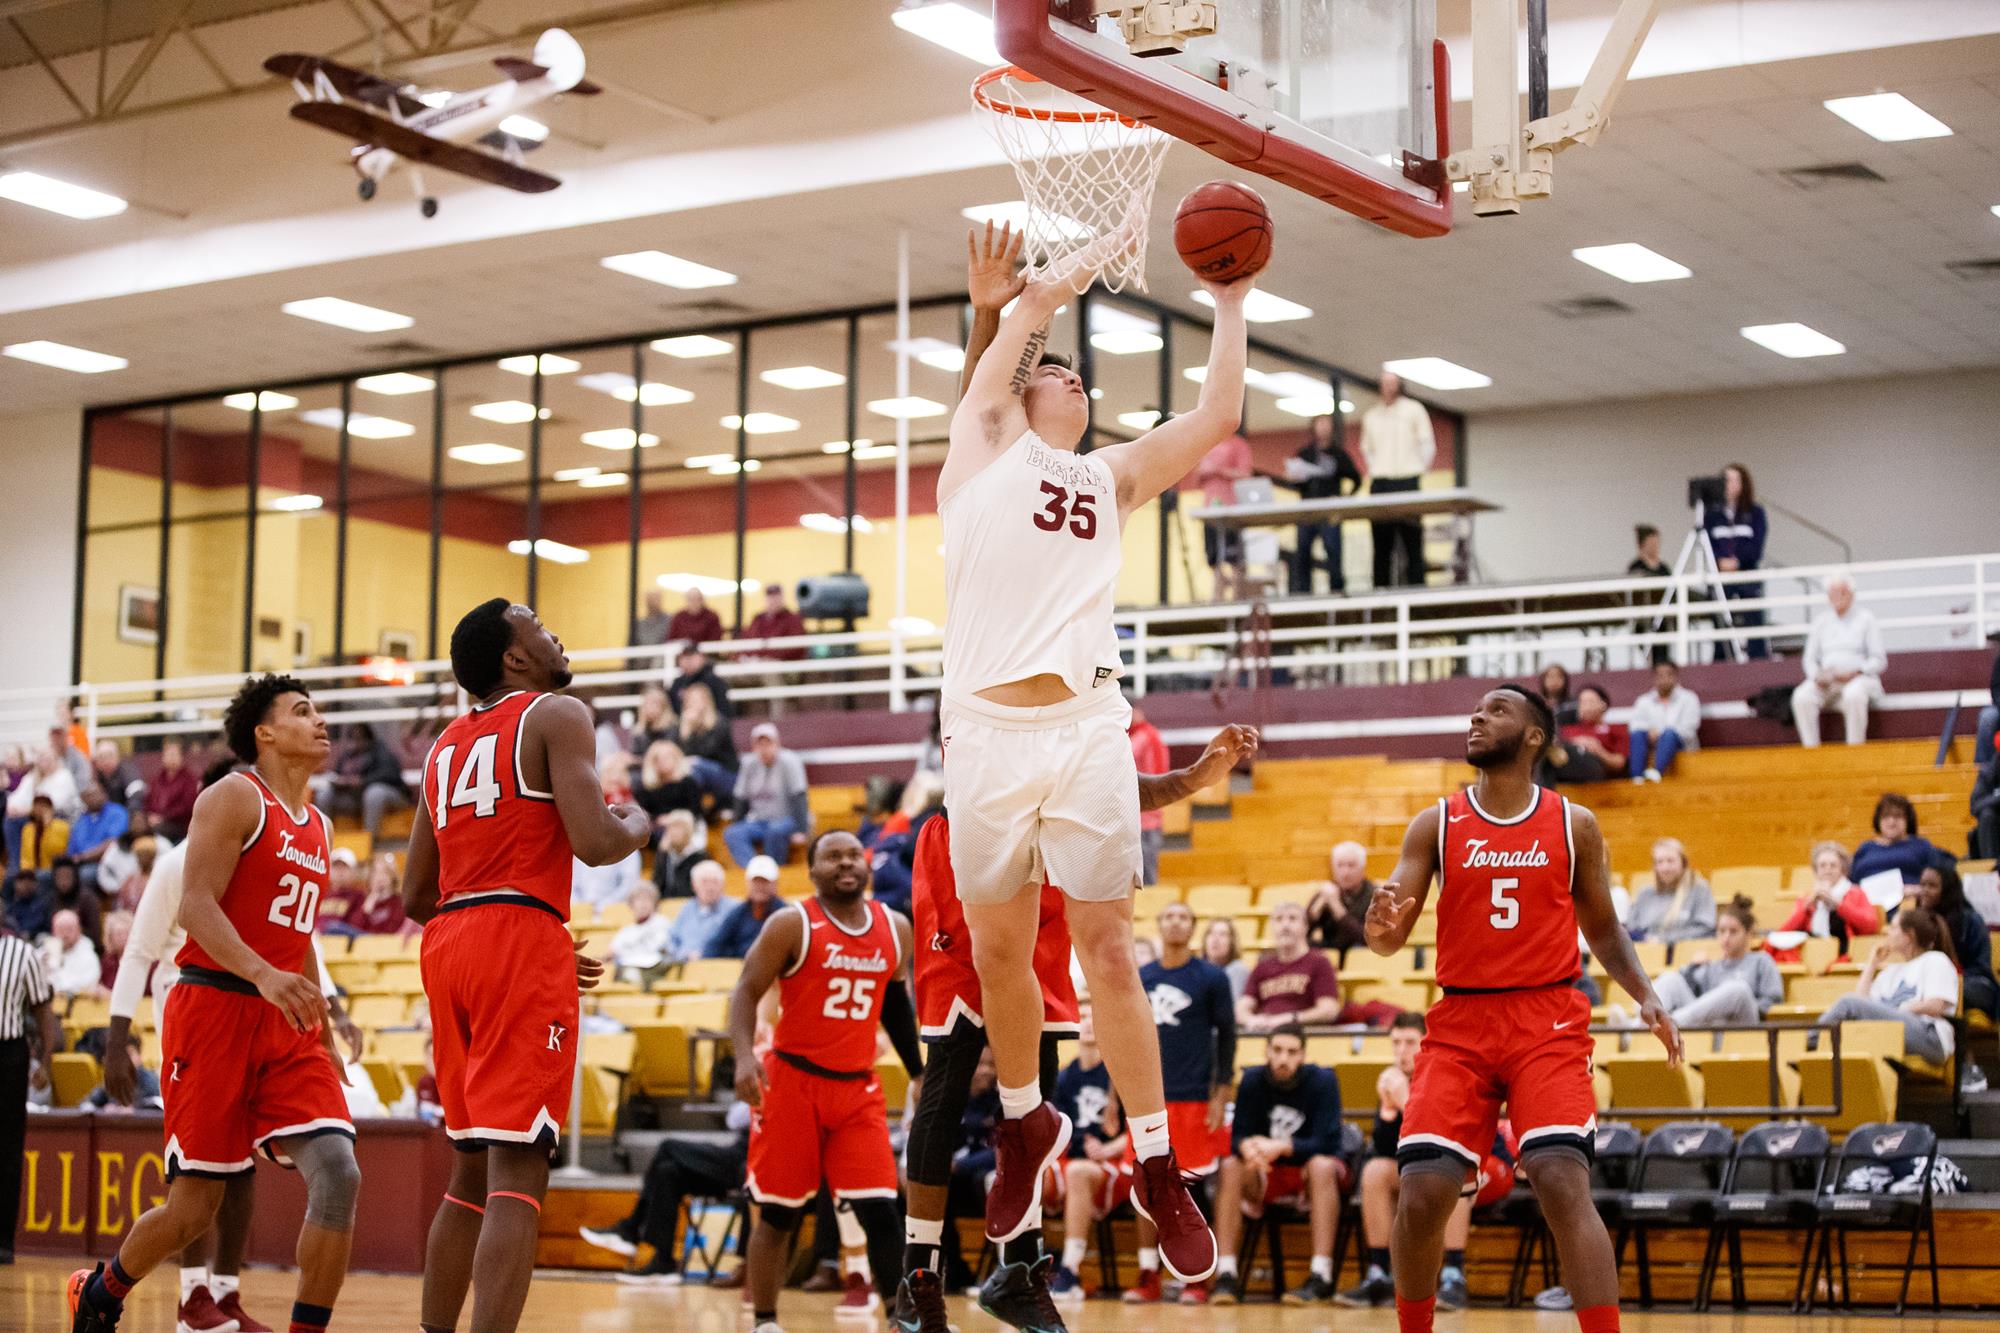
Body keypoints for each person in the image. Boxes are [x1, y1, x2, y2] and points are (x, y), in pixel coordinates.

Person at [941, 215, 1250, 1290]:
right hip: (981, 731)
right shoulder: (978, 448)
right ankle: (1025, 1124)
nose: (1067, 378)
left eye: (1079, 376)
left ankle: (1158, 1163)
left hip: (1083, 725)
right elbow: (1023, 319)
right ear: (1017, 391)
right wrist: (1082, 254)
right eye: (1050, 370)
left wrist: (1228, 294)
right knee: (997, 955)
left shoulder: (1109, 479)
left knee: (1106, 948)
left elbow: (1214, 413)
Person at [898, 721, 1255, 1333]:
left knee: (1035, 1081)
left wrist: (1191, 780)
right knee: (952, 1071)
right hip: (977, 845)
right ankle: (917, 1278)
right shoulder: (999, 667)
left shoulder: (1091, 684)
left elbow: (1105, 790)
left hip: (1054, 862)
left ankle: (1018, 1272)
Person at [1362, 682, 1681, 1333]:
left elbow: (1605, 929)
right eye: (1476, 708)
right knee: (1422, 1191)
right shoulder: (1437, 822)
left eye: (1497, 709)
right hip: (1461, 1023)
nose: (1478, 716)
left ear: (1535, 735)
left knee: (1559, 1176)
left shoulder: (1574, 823)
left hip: (1548, 1018)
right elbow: (1391, 936)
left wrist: (1647, 995)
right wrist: (1379, 927)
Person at [68, 675, 361, 1333]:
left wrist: (327, 1024)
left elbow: (301, 932)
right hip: (215, 1009)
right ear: (264, 731)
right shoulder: (232, 796)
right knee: (193, 1208)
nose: (320, 723)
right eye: (302, 711)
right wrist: (263, 974)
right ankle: (102, 1289)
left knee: (339, 1173)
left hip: (284, 1021)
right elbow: (196, 906)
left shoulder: (320, 821)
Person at [399, 599, 652, 1333]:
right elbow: (598, 840)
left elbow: (416, 892)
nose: (553, 631)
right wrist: (639, 821)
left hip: (449, 941)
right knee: (518, 1168)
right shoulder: (557, 712)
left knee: (468, 1168)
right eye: (537, 622)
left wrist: (513, 929)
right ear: (515, 657)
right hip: (514, 936)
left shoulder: (444, 745)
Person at [101, 828, 360, 1333]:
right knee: (198, 1182)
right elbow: (137, 952)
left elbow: (298, 937)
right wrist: (117, 1037)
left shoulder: (285, 843)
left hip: (264, 1012)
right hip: (196, 1008)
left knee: (242, 1171)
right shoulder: (181, 862)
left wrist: (332, 1016)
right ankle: (190, 1293)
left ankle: (224, 1292)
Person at [727, 830, 920, 1333]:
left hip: (858, 1088)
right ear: (811, 871)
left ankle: (904, 1321)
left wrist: (920, 1072)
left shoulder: (895, 927)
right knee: (778, 1214)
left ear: (868, 864)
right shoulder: (791, 924)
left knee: (881, 1209)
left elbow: (896, 1006)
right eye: (832, 856)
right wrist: (745, 1057)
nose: (845, 863)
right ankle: (766, 1320)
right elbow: (745, 991)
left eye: (854, 854)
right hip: (792, 1083)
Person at [1336, 1013, 1513, 1311]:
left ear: (1426, 1043)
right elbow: (1389, 1151)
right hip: (1437, 1165)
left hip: (1490, 1163)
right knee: (1375, 1171)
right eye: (1395, 1043)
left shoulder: (1447, 1071)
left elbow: (1449, 1140)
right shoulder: (1392, 1081)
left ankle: (1453, 1275)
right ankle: (1380, 1272)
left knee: (1452, 1171)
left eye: (1409, 1042)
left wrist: (1406, 1101)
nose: (1401, 1051)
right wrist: (1388, 1113)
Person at [1125, 901, 1236, 1304]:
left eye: (1183, 917)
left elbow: (1227, 1036)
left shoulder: (1212, 977)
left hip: (1192, 1097)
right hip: (1144, 1097)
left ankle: (1196, 1277)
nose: (1175, 922)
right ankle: (1147, 1273)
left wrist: (1221, 1092)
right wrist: (1112, 1097)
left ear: (1193, 928)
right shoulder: (1142, 977)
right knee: (1143, 1187)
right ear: (1159, 924)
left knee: (1186, 1186)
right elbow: (1123, 1040)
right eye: (1168, 915)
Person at [1209, 1024, 1344, 1305]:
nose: (1284, 1058)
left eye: (1292, 1052)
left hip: (1309, 1174)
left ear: (1303, 1055)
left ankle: (1321, 1275)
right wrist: (1246, 1146)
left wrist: (1282, 1146)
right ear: (1267, 1051)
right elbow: (1238, 1136)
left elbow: (1329, 1143)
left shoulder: (1323, 1080)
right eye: (1278, 1050)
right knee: (1231, 1165)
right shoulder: (1253, 1080)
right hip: (1266, 1172)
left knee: (1322, 1165)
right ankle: (1226, 1274)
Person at [579, 1098, 754, 1282]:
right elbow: (733, 1119)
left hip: (746, 1159)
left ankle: (630, 1229)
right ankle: (663, 1261)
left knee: (668, 1147)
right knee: (668, 1172)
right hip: (737, 1153)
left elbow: (739, 1118)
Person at [1813, 908, 1958, 1066]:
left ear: (1909, 936)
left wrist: (1898, 1011)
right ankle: (1816, 1045)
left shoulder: (1935, 960)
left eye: (1894, 927)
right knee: (1851, 1013)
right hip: (1888, 1032)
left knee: (1848, 1002)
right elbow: (1860, 1003)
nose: (1888, 931)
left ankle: (1810, 1041)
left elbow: (1936, 1005)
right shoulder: (1890, 971)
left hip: (1929, 1035)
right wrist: (1872, 964)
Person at [1, 914, 61, 1266]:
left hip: (9, 1054)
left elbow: (42, 1009)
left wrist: (47, 1062)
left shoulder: (22, 953)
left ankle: (3, 1241)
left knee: (7, 1149)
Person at [1241, 900, 1399, 1029]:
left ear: (1305, 927)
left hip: (1305, 1036)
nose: (1285, 925)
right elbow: (1242, 1007)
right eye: (1279, 919)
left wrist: (1288, 1019)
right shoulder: (1262, 967)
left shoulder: (1318, 962)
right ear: (1272, 927)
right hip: (1267, 1036)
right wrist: (1250, 1020)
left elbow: (1329, 1009)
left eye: (1292, 918)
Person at [1644, 897, 1783, 1028]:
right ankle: (1642, 1023)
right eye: (1722, 931)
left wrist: (1732, 1004)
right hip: (1710, 1026)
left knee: (1739, 990)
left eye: (1733, 932)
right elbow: (1697, 999)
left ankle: (1673, 1023)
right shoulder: (1713, 967)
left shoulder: (1761, 960)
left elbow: (1772, 1001)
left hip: (1743, 1025)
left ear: (1748, 933)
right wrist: (1693, 967)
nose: (1726, 937)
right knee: (1671, 979)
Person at [1358, 370, 1435, 589]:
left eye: (1392, 383)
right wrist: (1377, 469)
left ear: (1400, 385)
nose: (1389, 387)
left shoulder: (1414, 410)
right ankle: (1380, 599)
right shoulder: (1371, 416)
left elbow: (1426, 444)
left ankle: (1418, 600)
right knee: (1381, 546)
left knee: (1412, 543)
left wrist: (1417, 469)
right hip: (1381, 484)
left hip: (1408, 481)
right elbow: (1367, 450)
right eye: (1384, 383)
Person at [1792, 572, 1886, 748]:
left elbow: (1879, 660)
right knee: (1802, 696)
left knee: (1854, 694)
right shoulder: (1821, 622)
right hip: (1829, 681)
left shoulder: (1866, 619)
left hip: (1859, 679)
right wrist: (1817, 677)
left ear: (1852, 594)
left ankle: (1854, 749)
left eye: (1842, 592)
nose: (1838, 597)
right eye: (1833, 593)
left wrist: (1856, 671)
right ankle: (1812, 751)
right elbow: (1809, 659)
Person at [1286, 413, 1361, 595]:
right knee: (1302, 553)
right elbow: (1295, 481)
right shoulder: (1305, 454)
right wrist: (1294, 477)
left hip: (1329, 511)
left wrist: (1344, 499)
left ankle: (1336, 590)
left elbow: (1356, 478)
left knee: (1333, 551)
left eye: (1326, 424)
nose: (1323, 428)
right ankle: (1302, 594)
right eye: (1320, 424)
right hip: (1307, 510)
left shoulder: (1339, 455)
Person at [1917, 859, 1997, 1022]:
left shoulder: (1971, 920)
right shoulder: (1916, 921)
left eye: (1931, 886)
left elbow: (1980, 967)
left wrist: (1950, 979)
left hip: (1972, 982)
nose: (1924, 891)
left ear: (1947, 890)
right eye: (1922, 884)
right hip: (1928, 984)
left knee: (1945, 991)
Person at [1704, 462, 1768, 660]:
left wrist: (1737, 562)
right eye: (1725, 480)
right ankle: (1721, 657)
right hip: (1721, 576)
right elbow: (1706, 544)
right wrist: (1719, 561)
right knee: (1720, 619)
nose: (1728, 484)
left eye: (1733, 480)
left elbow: (1757, 546)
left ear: (1743, 484)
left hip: (1746, 573)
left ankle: (1758, 657)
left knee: (1753, 617)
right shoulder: (1712, 515)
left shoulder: (1755, 513)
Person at [726, 723, 810, 868]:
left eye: (768, 743)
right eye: (760, 744)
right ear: (754, 747)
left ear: (777, 744)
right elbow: (741, 798)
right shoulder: (749, 764)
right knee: (733, 833)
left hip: (787, 819)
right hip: (758, 820)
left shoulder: (789, 761)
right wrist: (737, 822)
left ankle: (773, 871)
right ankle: (752, 870)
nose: (764, 749)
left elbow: (799, 796)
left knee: (775, 831)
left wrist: (802, 830)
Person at [311, 723, 411, 845]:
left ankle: (369, 842)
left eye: (359, 738)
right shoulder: (347, 756)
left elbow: (390, 775)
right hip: (356, 798)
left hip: (391, 797)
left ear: (368, 739)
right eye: (352, 738)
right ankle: (323, 840)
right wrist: (341, 783)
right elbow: (338, 775)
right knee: (324, 793)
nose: (355, 743)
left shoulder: (381, 752)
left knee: (374, 793)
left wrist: (362, 781)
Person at [1776, 842, 1879, 952]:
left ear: (1843, 869)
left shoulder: (1855, 893)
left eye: (1833, 865)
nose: (1828, 870)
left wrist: (1838, 905)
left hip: (1846, 951)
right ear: (1816, 871)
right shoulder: (1807, 898)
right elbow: (1785, 932)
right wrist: (1807, 906)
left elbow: (1870, 926)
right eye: (1822, 865)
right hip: (1812, 952)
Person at [1625, 838, 1717, 944]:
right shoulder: (1644, 894)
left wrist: (1664, 940)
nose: (1665, 868)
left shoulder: (1700, 890)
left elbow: (1706, 929)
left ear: (1683, 863)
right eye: (1659, 862)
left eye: (1670, 861)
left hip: (1684, 953)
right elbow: (1631, 929)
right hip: (1648, 954)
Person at [1196, 432, 1253, 600]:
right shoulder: (1206, 443)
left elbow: (1245, 473)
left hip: (1231, 509)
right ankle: (1218, 593)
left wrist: (1220, 470)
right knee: (1212, 556)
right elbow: (1199, 474)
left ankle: (1237, 595)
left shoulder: (1239, 444)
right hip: (1209, 509)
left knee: (1234, 557)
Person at [1626, 660, 1700, 782]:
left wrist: (1661, 733)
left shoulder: (1689, 698)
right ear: (1654, 678)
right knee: (1637, 734)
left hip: (1680, 744)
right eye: (1660, 675)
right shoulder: (1644, 700)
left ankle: (1656, 772)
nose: (1665, 679)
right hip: (1651, 744)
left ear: (1676, 677)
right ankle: (1637, 777)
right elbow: (1634, 725)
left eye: (1669, 674)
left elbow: (1690, 729)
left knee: (1669, 734)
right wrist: (1649, 731)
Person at [1545, 685, 1627, 785]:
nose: (1586, 707)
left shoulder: (1615, 729)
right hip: (1566, 770)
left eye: (1590, 702)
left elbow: (1619, 764)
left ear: (1603, 704)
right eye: (1582, 703)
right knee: (1547, 752)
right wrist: (1575, 743)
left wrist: (1599, 750)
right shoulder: (1566, 730)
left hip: (1596, 769)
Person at [707, 856, 785, 959]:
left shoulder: (785, 914)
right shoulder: (738, 913)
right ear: (748, 883)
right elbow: (715, 944)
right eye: (756, 881)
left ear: (775, 884)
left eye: (765, 881)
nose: (760, 886)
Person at [1850, 792, 1936, 885]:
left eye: (1898, 816)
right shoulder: (1865, 849)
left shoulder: (1921, 846)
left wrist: (1919, 890)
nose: (1891, 822)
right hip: (1869, 897)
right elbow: (1852, 882)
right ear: (1878, 820)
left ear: (1908, 820)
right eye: (1886, 816)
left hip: (1909, 897)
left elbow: (1936, 882)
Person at [1128, 701, 1170, 886]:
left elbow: (1119, 757)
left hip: (1143, 818)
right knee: (1145, 872)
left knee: (1144, 874)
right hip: (1148, 815)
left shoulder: (1142, 736)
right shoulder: (1152, 735)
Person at [676, 682, 740, 805]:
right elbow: (680, 754)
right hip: (697, 771)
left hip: (727, 775)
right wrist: (687, 731)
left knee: (694, 766)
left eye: (697, 700)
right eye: (690, 700)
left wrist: (689, 734)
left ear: (706, 701)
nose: (693, 704)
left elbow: (707, 751)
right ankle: (693, 812)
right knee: (690, 773)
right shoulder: (684, 725)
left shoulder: (719, 723)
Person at [1307, 841, 1375, 952]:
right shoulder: (1326, 891)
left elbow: (1367, 939)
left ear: (1363, 869)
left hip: (1359, 954)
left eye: (1351, 865)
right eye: (1340, 865)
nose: (1345, 872)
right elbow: (1303, 934)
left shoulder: (1374, 895)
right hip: (1330, 953)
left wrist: (1337, 909)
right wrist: (1315, 912)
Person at [666, 860, 732, 962]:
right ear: (694, 885)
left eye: (715, 882)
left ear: (723, 885)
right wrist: (680, 955)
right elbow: (672, 939)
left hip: (716, 967)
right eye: (704, 881)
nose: (710, 888)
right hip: (682, 965)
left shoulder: (733, 909)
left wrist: (705, 954)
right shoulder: (687, 908)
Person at [610, 883, 674, 988]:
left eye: (647, 900)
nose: (643, 905)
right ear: (631, 905)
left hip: (654, 968)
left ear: (655, 904)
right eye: (639, 900)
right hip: (627, 966)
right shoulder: (626, 931)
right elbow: (612, 952)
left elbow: (665, 949)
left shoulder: (662, 923)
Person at [67, 782, 129, 888]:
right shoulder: (81, 820)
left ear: (105, 795)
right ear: (83, 799)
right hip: (81, 863)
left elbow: (113, 842)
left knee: (84, 875)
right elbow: (71, 850)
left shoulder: (116, 812)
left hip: (107, 863)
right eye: (90, 795)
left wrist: (84, 857)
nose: (95, 797)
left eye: (97, 793)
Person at [145, 739, 200, 841]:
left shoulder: (189, 779)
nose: (171, 758)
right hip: (156, 821)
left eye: (174, 755)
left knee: (155, 831)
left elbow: (187, 806)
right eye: (168, 755)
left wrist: (163, 817)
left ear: (181, 757)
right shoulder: (157, 779)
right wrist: (150, 816)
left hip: (178, 825)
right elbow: (148, 800)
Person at [651, 808, 713, 899]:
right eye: (671, 827)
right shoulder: (665, 855)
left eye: (678, 827)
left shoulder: (700, 857)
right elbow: (657, 885)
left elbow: (686, 889)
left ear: (689, 831)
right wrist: (661, 854)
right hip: (665, 905)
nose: (673, 832)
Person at [342, 852, 406, 935]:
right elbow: (352, 928)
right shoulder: (363, 899)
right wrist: (366, 909)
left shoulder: (398, 902)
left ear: (392, 876)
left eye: (385, 872)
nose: (379, 877)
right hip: (362, 943)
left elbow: (392, 930)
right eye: (375, 873)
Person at [669, 642, 735, 720]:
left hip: (711, 725)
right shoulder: (677, 684)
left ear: (702, 658)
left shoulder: (715, 682)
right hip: (684, 726)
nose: (688, 660)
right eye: (685, 657)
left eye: (692, 656)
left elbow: (724, 711)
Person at [40, 908, 99, 996]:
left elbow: (88, 983)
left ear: (79, 930)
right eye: (61, 929)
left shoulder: (88, 955)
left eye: (69, 929)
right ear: (53, 931)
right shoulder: (44, 952)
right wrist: (41, 965)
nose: (65, 934)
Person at [1202, 918, 1251, 1000]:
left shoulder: (1238, 970)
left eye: (1223, 934)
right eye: (1211, 933)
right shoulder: (1196, 970)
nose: (1215, 939)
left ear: (1232, 942)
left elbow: (1231, 1006)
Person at [625, 682, 677, 758]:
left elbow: (670, 755)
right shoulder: (639, 731)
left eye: (652, 704)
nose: (648, 708)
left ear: (662, 706)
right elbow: (634, 754)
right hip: (642, 767)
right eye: (646, 704)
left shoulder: (673, 728)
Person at [92, 741, 141, 809]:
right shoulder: (97, 776)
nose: (106, 761)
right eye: (101, 758)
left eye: (109, 756)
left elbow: (136, 795)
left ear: (117, 757)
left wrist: (127, 814)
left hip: (127, 812)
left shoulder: (127, 772)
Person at [631, 588, 674, 663]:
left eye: (657, 599)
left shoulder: (669, 620)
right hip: (642, 660)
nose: (654, 602)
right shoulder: (640, 624)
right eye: (651, 599)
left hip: (661, 660)